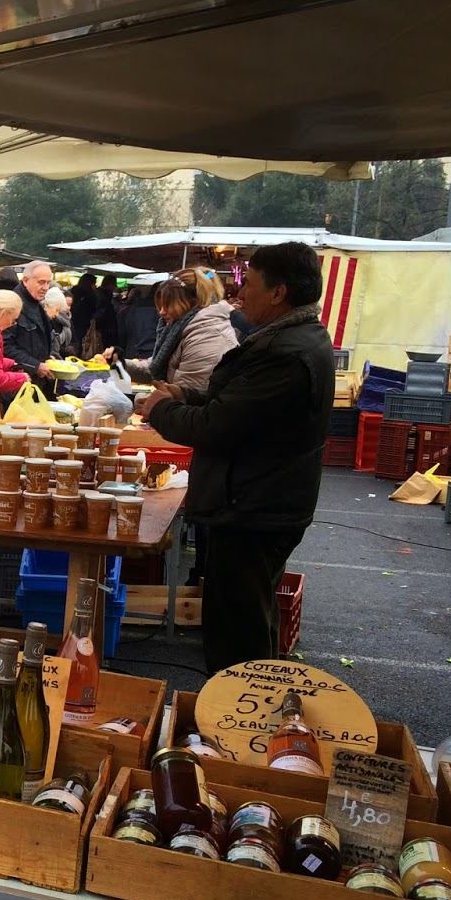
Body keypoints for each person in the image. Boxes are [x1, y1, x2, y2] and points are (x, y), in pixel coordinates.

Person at [140, 241, 333, 675]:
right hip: (262, 500)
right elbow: (239, 405)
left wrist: (162, 410)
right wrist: (185, 394)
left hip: (253, 505)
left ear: (279, 293)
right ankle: (254, 699)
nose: (240, 294)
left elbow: (217, 426)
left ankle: (238, 707)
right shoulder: (292, 338)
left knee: (237, 633)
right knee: (252, 614)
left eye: (250, 285)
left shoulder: (286, 353)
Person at [103, 271, 237, 393]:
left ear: (191, 303)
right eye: (161, 306)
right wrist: (121, 364)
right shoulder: (182, 329)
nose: (161, 312)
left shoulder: (207, 338)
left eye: (168, 305)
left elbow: (187, 398)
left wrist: (151, 402)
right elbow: (157, 367)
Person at [3, 260, 55, 392]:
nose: (46, 288)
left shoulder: (36, 304)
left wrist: (47, 357)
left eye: (48, 283)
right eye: (41, 282)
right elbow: (4, 346)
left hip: (33, 382)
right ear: (26, 280)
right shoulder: (12, 305)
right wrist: (35, 365)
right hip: (16, 383)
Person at [116, 284, 159, 359]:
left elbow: (123, 331)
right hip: (152, 354)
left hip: (132, 351)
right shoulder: (161, 310)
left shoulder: (134, 307)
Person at [42, 286, 72, 358]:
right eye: (57, 310)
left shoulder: (48, 323)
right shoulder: (42, 323)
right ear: (46, 306)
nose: (57, 314)